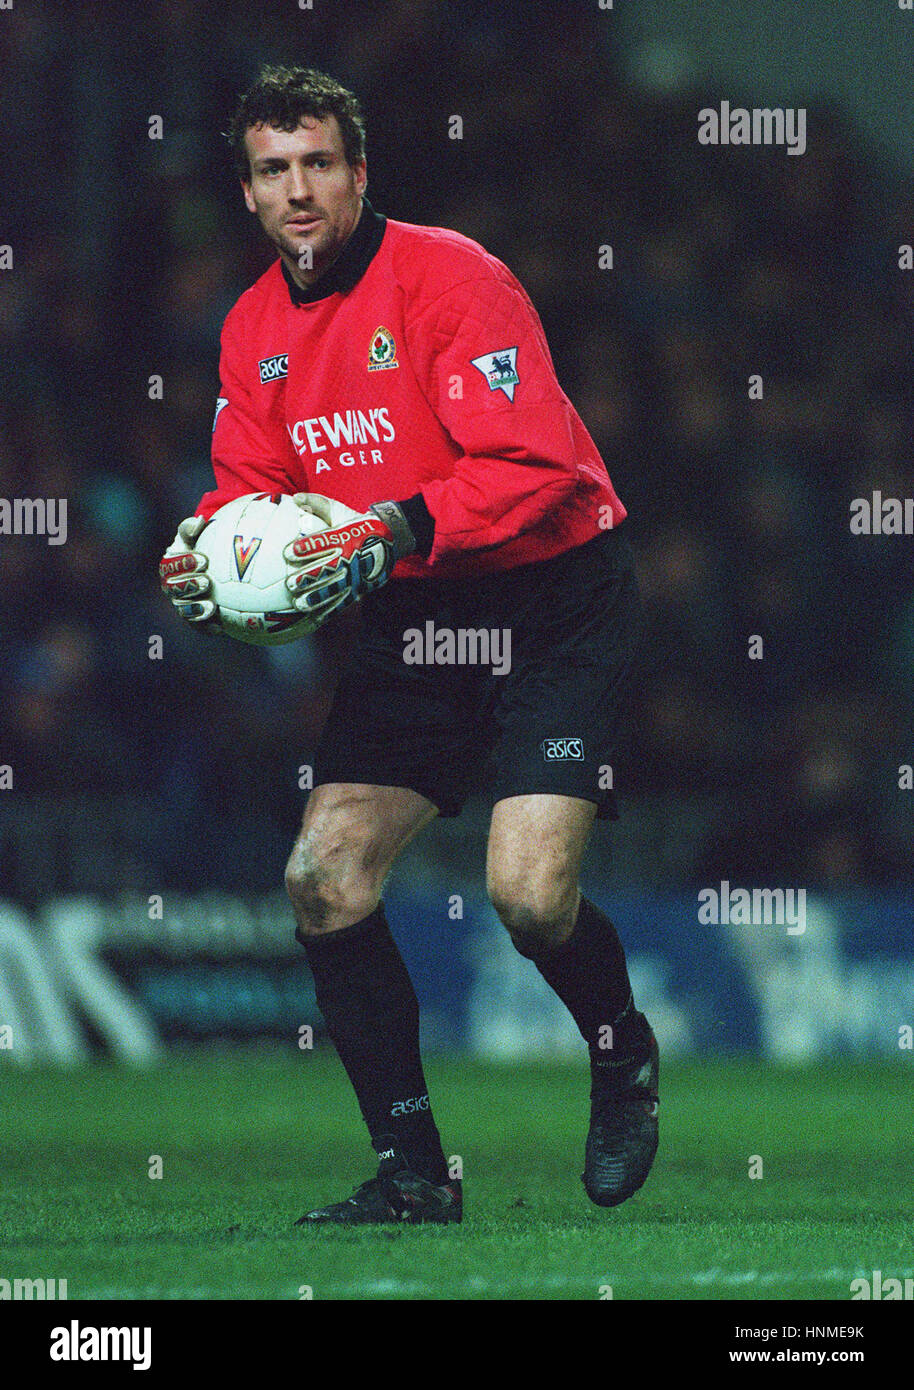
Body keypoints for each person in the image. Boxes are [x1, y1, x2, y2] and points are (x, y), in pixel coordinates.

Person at [159, 65, 658, 1225]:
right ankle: (416, 1176)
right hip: (417, 614)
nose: (299, 191)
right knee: (322, 878)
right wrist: (209, 567)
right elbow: (257, 505)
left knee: (529, 897)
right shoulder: (250, 332)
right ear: (245, 192)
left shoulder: (451, 277)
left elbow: (534, 465)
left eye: (319, 164)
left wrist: (395, 526)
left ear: (359, 172)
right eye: (274, 170)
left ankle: (619, 1045)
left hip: (552, 598)